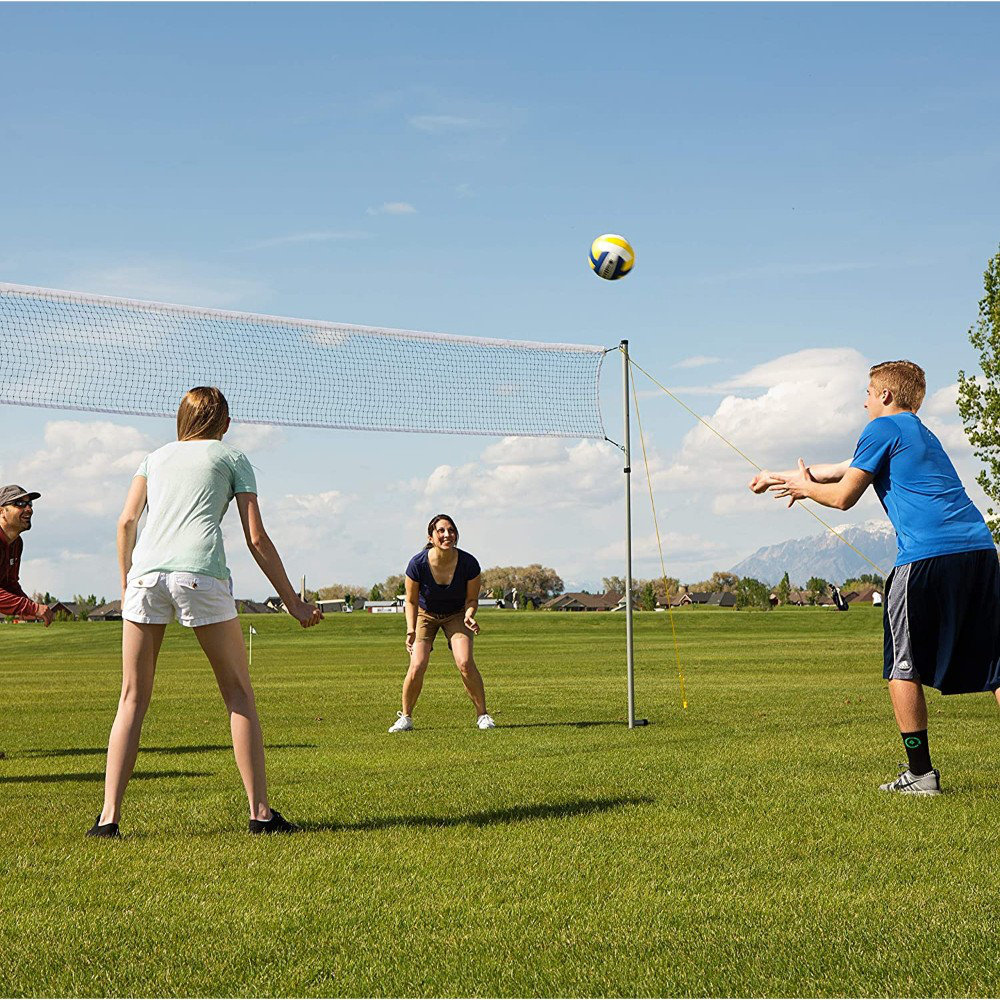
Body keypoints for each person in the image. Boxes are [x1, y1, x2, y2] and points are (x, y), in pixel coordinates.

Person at [749, 360, 1000, 795]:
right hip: (980, 551)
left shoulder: (880, 428)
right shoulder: (919, 433)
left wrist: (802, 489)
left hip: (926, 556)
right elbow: (839, 468)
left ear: (884, 395)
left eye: (867, 392)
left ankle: (920, 775)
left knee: (903, 664)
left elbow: (843, 495)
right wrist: (776, 477)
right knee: (996, 665)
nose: (863, 401)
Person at [88, 387, 322, 838]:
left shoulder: (153, 458)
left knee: (131, 698)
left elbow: (126, 522)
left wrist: (126, 585)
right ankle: (261, 814)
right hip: (200, 574)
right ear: (225, 424)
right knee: (238, 694)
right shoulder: (233, 458)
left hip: (145, 577)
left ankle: (108, 818)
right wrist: (293, 603)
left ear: (182, 419)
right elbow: (256, 538)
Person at [389, 513, 495, 732]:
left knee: (465, 662)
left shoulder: (469, 563)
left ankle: (482, 715)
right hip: (425, 614)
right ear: (431, 537)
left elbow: (472, 599)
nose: (447, 535)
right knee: (417, 664)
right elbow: (411, 601)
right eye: (441, 531)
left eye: (451, 530)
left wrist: (469, 614)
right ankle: (406, 717)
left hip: (457, 614)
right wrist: (410, 630)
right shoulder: (417, 564)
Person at [0, 485, 52, 626]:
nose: (29, 509)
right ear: (2, 511)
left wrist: (33, 608)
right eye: (20, 504)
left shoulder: (16, 543)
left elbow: (9, 583)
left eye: (29, 503)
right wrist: (32, 608)